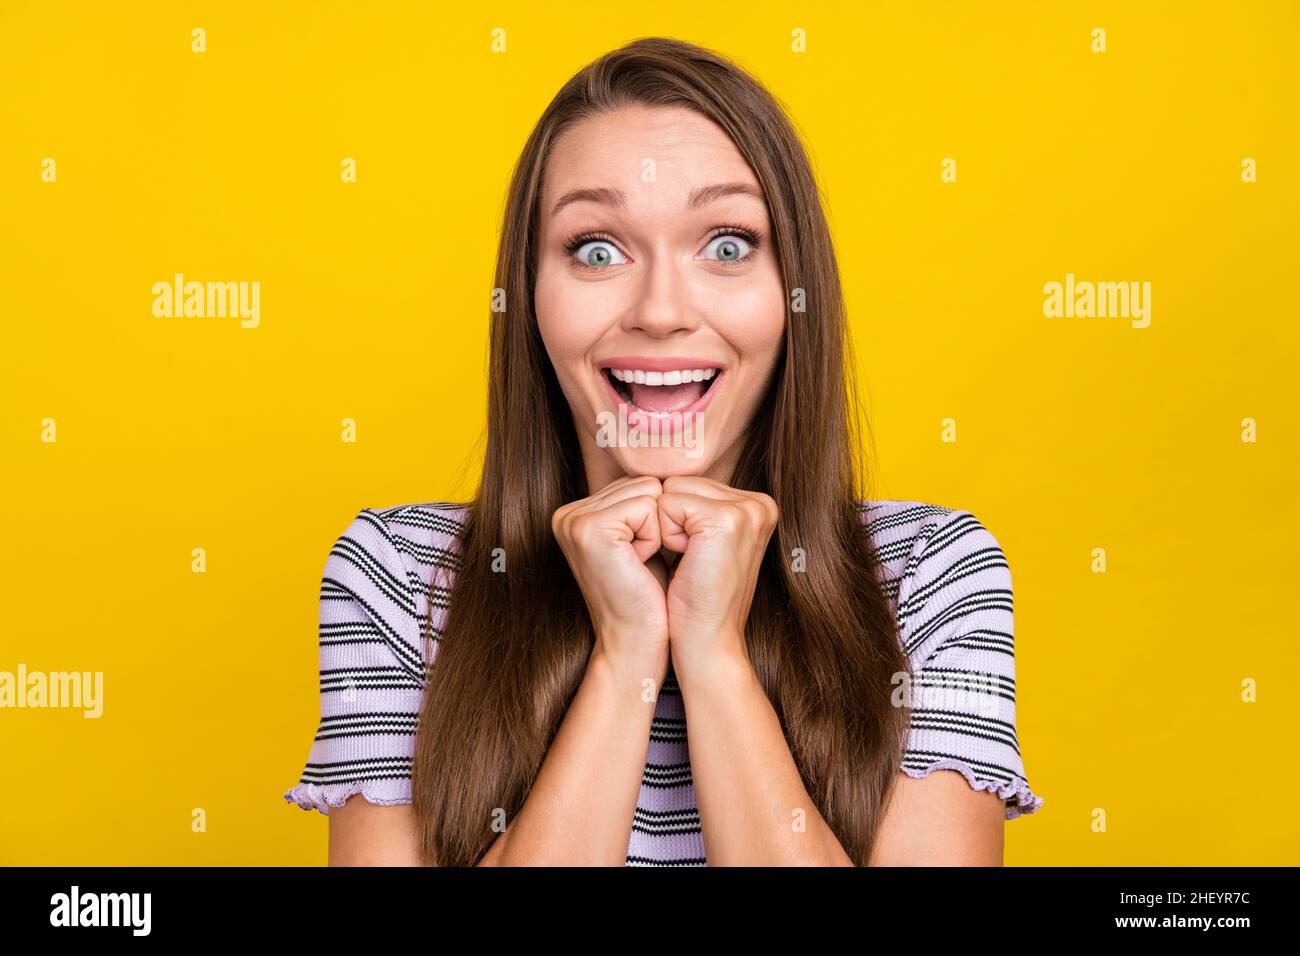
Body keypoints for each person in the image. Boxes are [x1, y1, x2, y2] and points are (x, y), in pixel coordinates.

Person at [284, 36, 1043, 866]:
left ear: (795, 294)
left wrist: (713, 655)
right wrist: (626, 651)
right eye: (596, 248)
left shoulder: (930, 575)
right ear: (529, 295)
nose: (660, 310)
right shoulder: (400, 575)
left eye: (725, 244)